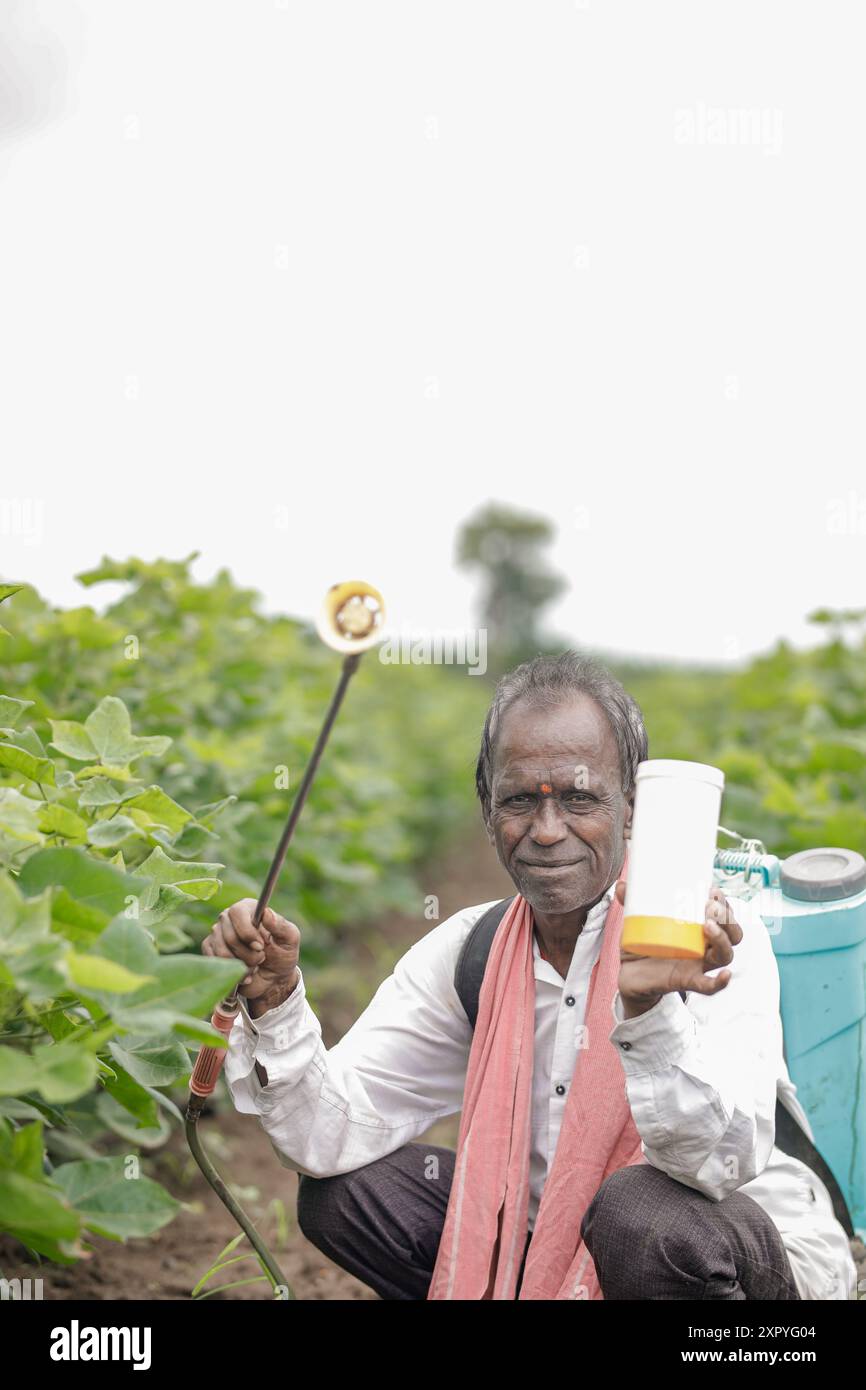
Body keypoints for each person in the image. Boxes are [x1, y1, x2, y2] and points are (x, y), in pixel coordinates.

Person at [204, 651, 857, 1300]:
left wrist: (650, 1010)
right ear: (488, 811)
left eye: (579, 798)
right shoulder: (472, 951)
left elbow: (718, 1165)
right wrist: (278, 1002)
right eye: (520, 799)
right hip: (546, 1240)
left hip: (747, 1253)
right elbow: (328, 1136)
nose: (547, 832)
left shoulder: (706, 939)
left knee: (641, 1217)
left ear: (631, 808)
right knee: (344, 1193)